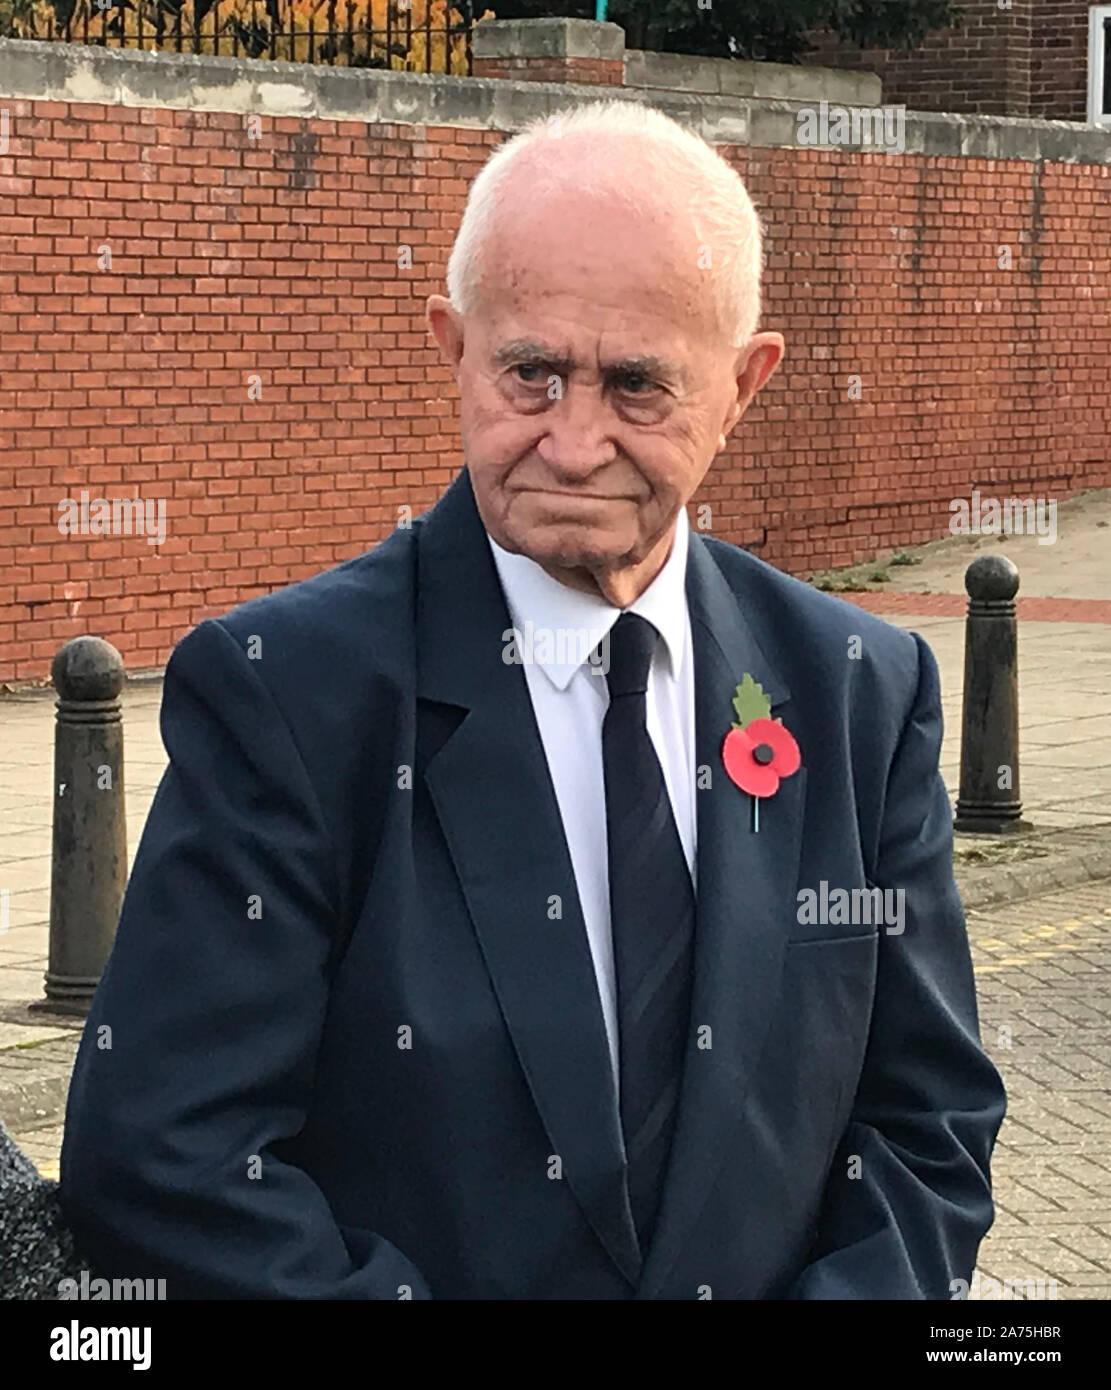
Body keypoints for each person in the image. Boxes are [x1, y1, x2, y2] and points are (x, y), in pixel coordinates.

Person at [61, 99, 1006, 1299]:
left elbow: (926, 1122)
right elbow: (162, 1159)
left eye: (636, 387)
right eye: (532, 372)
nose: (572, 441)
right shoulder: (285, 695)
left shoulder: (858, 692)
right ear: (452, 349)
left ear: (743, 387)